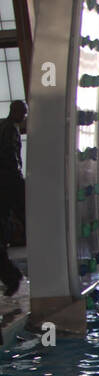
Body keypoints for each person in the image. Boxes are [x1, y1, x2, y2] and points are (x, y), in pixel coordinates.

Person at [0, 101, 26, 295]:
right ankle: (12, 276)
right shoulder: (10, 130)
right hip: (9, 183)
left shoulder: (3, 125)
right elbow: (11, 157)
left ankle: (12, 277)